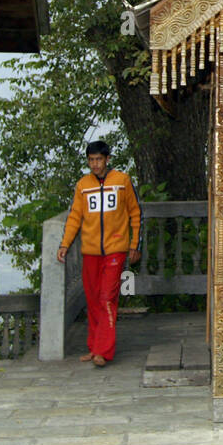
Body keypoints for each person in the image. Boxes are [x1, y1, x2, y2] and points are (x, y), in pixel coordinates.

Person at [57, 141, 142, 367]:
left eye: (99, 159)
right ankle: (94, 346)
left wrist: (134, 244)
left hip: (116, 250)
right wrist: (65, 244)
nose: (95, 164)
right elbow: (75, 216)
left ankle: (104, 351)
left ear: (107, 159)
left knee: (107, 298)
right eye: (91, 160)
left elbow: (135, 213)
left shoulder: (122, 181)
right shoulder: (83, 185)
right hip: (91, 251)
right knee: (93, 299)